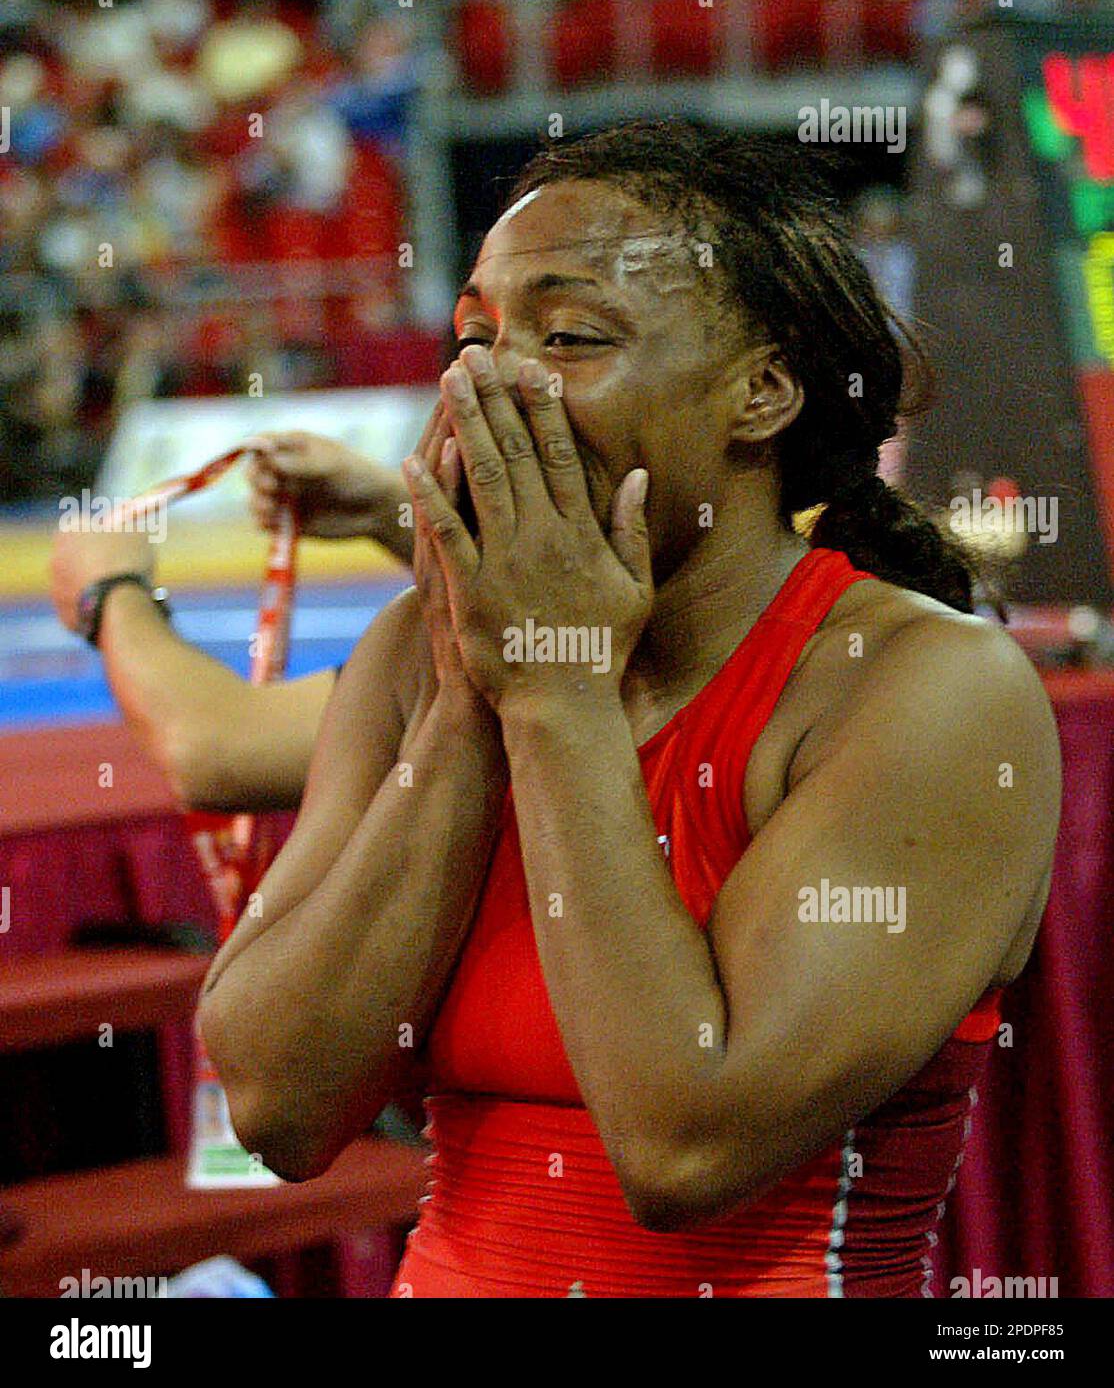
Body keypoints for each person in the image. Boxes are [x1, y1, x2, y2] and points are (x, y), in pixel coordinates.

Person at [198, 121, 1062, 1297]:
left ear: (760, 393)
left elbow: (684, 1144)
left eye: (569, 336)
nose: (490, 381)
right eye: (475, 336)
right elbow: (275, 1108)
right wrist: (465, 708)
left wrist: (552, 697)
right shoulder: (420, 653)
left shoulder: (928, 690)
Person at [49, 429, 417, 811]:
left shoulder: (458, 649)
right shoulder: (461, 625)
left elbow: (215, 751)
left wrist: (109, 589)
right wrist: (394, 512)